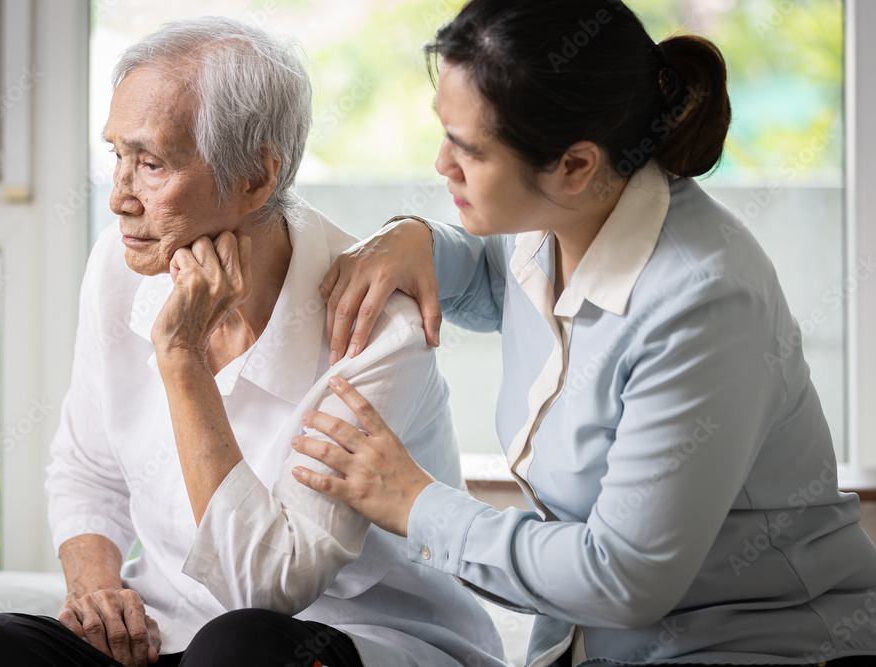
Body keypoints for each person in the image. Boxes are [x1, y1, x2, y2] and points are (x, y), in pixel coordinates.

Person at [289, 1, 876, 666]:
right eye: (443, 134)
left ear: (574, 165)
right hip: (593, 645)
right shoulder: (559, 221)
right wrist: (418, 240)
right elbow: (502, 283)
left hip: (762, 645)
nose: (439, 165)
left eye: (468, 150)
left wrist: (414, 503)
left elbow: (622, 576)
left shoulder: (704, 303)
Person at [0, 16, 507, 667]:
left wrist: (182, 361)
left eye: (150, 163)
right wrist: (98, 595)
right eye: (116, 155)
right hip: (173, 633)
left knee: (238, 648)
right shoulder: (121, 265)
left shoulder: (378, 332)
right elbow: (87, 472)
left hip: (345, 639)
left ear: (258, 176)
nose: (120, 197)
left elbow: (265, 589)